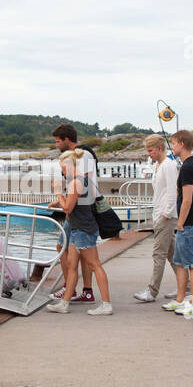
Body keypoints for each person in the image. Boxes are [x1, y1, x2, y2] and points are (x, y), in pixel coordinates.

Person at [46, 150, 113, 315]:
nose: (61, 170)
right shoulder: (82, 180)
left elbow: (68, 207)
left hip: (83, 229)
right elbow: (74, 203)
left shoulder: (75, 182)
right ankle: (65, 302)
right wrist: (60, 200)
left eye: (62, 167)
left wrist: (57, 192)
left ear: (69, 165)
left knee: (95, 265)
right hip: (79, 228)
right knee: (71, 265)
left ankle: (106, 304)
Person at [161, 130, 193, 318]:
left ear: (181, 143)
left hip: (190, 223)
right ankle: (180, 298)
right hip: (191, 222)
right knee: (180, 262)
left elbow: (187, 199)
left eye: (173, 143)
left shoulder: (188, 167)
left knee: (192, 263)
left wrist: (180, 222)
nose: (172, 147)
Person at [50, 124, 96, 303]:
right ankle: (80, 290)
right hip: (78, 204)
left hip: (81, 209)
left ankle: (75, 289)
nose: (56, 145)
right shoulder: (78, 155)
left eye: (58, 141)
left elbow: (85, 182)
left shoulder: (82, 155)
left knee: (67, 247)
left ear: (66, 140)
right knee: (74, 249)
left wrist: (67, 201)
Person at [132, 134, 178, 303]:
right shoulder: (159, 165)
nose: (148, 154)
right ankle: (185, 286)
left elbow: (173, 191)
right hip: (160, 213)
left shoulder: (168, 166)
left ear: (159, 148)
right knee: (172, 254)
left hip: (165, 216)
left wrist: (167, 213)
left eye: (150, 150)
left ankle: (152, 291)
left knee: (159, 254)